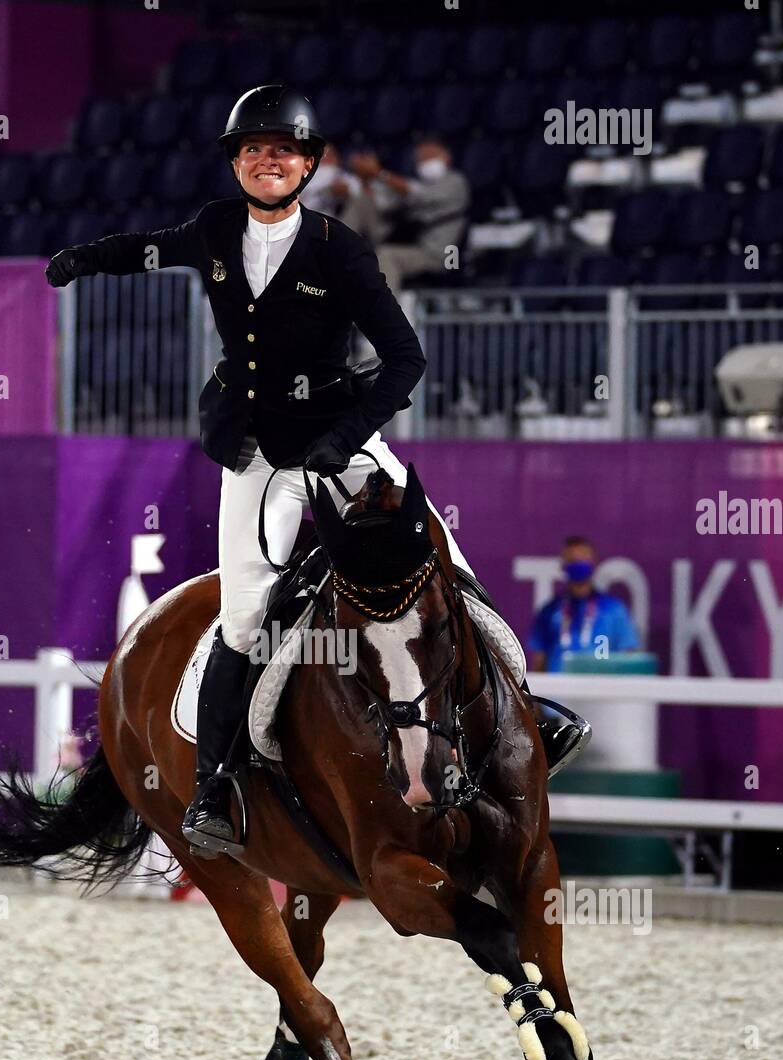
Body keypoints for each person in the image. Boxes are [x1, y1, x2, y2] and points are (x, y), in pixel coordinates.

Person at [45, 84, 586, 857]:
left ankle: (533, 717)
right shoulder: (216, 227)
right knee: (244, 616)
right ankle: (213, 791)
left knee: (449, 568)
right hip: (259, 458)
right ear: (235, 163)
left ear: (308, 166)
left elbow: (406, 358)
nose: (270, 160)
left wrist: (348, 436)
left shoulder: (338, 247)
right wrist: (82, 260)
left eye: (285, 150)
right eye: (254, 149)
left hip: (340, 440)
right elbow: (149, 247)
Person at [340, 137, 469, 295]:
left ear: (446, 156)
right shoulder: (416, 182)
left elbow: (420, 195)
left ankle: (385, 315)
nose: (424, 161)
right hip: (404, 239)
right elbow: (385, 203)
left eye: (430, 156)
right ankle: (335, 250)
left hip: (435, 254)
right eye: (421, 158)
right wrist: (366, 179)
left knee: (387, 255)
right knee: (362, 201)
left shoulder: (455, 182)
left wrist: (378, 173)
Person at [528, 537, 641, 673]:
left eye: (582, 559)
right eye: (572, 560)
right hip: (557, 691)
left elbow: (627, 656)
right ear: (563, 566)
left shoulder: (614, 610)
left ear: (593, 563)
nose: (578, 564)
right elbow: (540, 660)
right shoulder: (550, 611)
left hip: (599, 690)